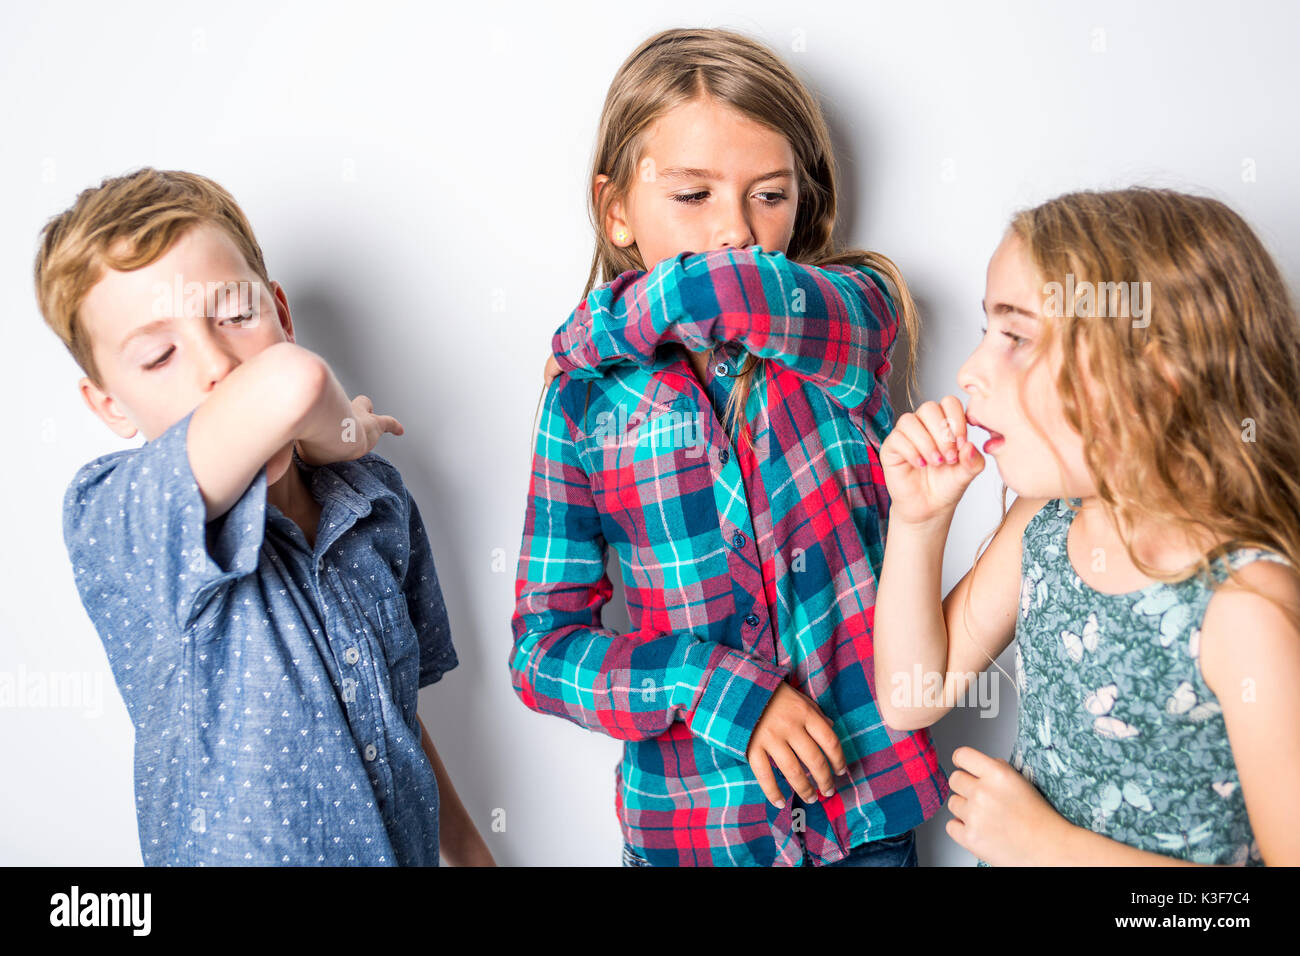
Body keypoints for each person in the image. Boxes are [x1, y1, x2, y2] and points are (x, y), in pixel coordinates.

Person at [512, 27, 947, 866]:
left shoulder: (847, 316)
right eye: (692, 195)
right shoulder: (581, 404)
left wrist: (586, 330)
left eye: (769, 195)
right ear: (615, 210)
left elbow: (725, 287)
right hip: (693, 834)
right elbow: (540, 654)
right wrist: (711, 687)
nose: (736, 231)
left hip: (866, 819)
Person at [38, 167, 493, 865]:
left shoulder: (375, 500)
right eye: (160, 356)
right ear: (107, 405)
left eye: (237, 315)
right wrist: (347, 429)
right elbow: (294, 382)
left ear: (282, 312)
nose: (216, 364)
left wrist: (468, 852)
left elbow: (390, 717)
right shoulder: (119, 518)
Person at [873, 187, 1300, 865]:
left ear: (1157, 373)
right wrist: (920, 522)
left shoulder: (1245, 609)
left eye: (1015, 336)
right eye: (989, 331)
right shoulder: (1048, 525)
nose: (970, 371)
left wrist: (1049, 849)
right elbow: (908, 699)